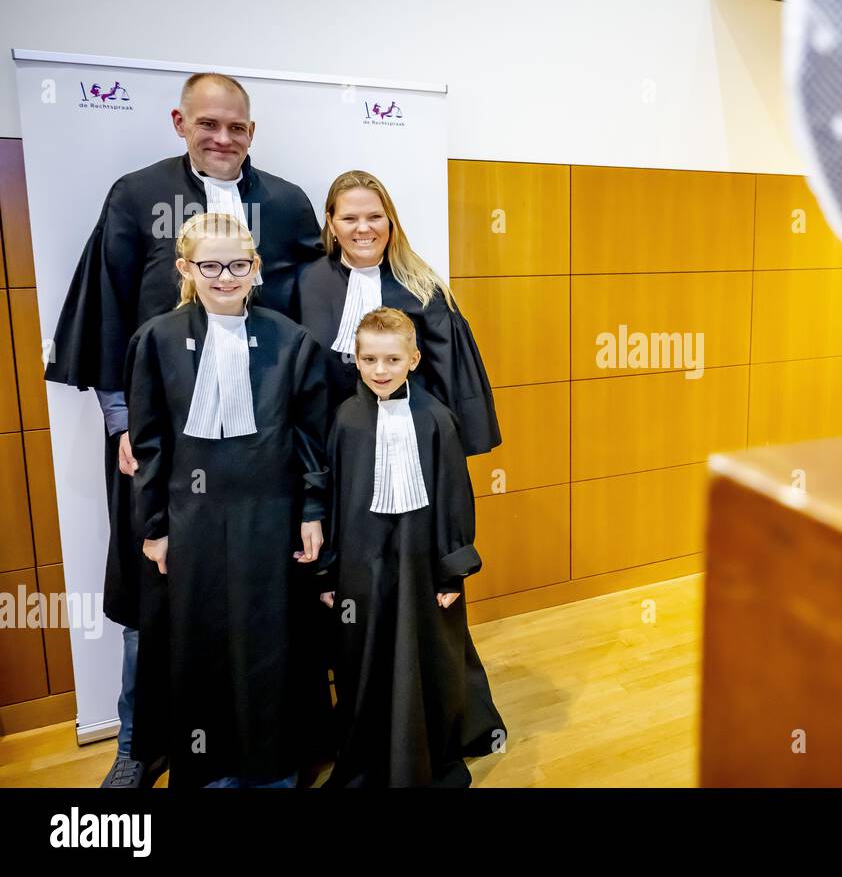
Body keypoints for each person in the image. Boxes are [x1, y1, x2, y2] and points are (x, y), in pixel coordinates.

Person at [42, 72, 323, 787]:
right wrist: (122, 423)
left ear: (251, 132)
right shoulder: (137, 196)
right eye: (208, 124)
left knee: (270, 595)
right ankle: (140, 744)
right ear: (181, 122)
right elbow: (108, 308)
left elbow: (315, 309)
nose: (222, 138)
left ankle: (277, 742)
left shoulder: (286, 204)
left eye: (236, 127)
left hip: (264, 453)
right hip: (158, 438)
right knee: (156, 585)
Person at [124, 212, 329, 788]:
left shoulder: (291, 341)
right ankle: (208, 767)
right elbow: (150, 442)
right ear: (186, 268)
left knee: (273, 643)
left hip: (271, 515)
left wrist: (312, 512)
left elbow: (310, 437)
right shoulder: (158, 339)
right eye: (209, 266)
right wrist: (155, 527)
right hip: (193, 520)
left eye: (238, 264)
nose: (225, 277)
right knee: (201, 644)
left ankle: (274, 766)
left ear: (255, 268)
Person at [320, 307, 505, 787]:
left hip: (424, 567)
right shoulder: (344, 421)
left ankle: (424, 753)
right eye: (370, 360)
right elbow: (334, 501)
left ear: (414, 359)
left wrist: (452, 571)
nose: (380, 371)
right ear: (355, 360)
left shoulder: (436, 420)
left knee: (428, 655)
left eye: (392, 360)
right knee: (362, 657)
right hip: (362, 568)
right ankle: (370, 755)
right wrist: (327, 573)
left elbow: (453, 499)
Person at [293, 170, 500, 453]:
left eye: (375, 217)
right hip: (333, 447)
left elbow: (450, 383)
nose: (363, 229)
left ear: (390, 220)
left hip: (410, 443)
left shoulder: (423, 288)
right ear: (331, 222)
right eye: (349, 218)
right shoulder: (306, 284)